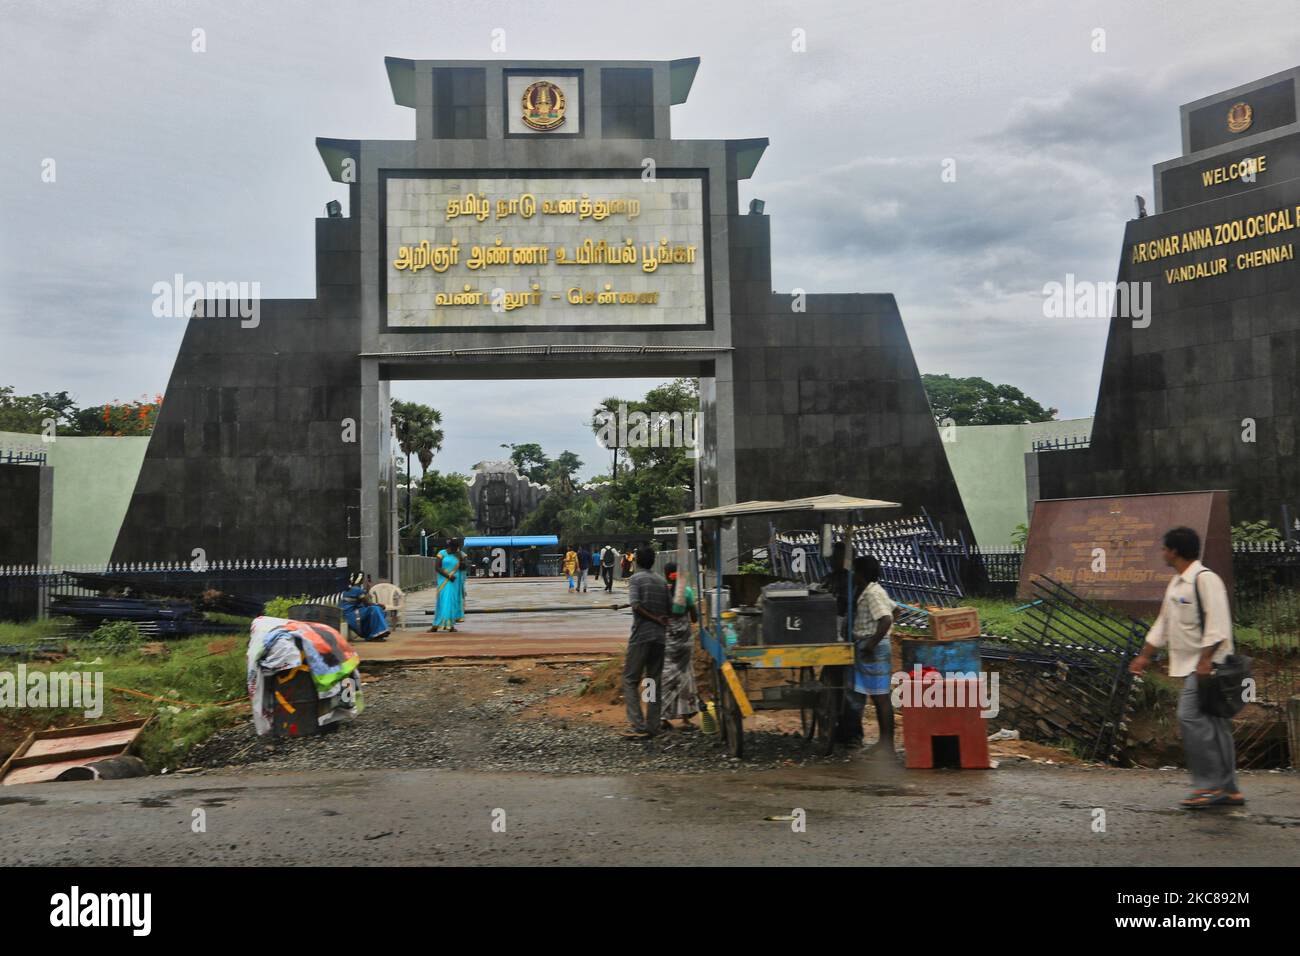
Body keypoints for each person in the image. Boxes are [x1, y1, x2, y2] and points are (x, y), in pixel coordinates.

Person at [1129, 526, 1242, 809]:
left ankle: (1209, 787)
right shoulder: (1177, 583)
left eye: (1165, 548)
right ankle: (1228, 789)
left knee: (1189, 717)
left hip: (1210, 666)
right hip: (1197, 666)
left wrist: (1205, 661)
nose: (1162, 553)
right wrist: (1144, 656)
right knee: (1216, 726)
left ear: (1175, 551)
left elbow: (1218, 625)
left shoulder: (1206, 580)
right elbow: (1163, 624)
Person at [848, 555, 896, 753]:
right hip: (870, 645)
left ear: (861, 574)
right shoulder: (871, 590)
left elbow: (886, 619)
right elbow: (896, 610)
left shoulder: (872, 594)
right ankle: (884, 743)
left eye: (854, 571)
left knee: (881, 697)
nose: (851, 575)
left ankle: (887, 745)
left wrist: (871, 644)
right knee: (877, 697)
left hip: (872, 648)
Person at [622, 546, 669, 739]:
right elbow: (669, 609)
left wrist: (653, 618)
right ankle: (652, 724)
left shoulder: (635, 579)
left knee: (630, 679)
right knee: (651, 680)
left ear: (637, 561)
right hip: (660, 638)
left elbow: (636, 605)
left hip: (641, 636)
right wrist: (659, 620)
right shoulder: (661, 581)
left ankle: (638, 724)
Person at [659, 562, 699, 730]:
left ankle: (662, 717)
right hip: (684, 641)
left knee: (665, 676)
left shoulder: (662, 592)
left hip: (667, 640)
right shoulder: (687, 591)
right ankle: (685, 718)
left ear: (665, 574)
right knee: (685, 676)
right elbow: (695, 618)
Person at [341, 571, 390, 641]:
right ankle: (376, 633)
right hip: (352, 615)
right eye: (363, 579)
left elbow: (364, 602)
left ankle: (377, 633)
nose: (364, 581)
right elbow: (368, 604)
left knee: (375, 609)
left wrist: (367, 590)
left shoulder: (351, 589)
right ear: (360, 580)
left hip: (349, 614)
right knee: (375, 609)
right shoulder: (357, 590)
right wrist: (379, 605)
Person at [429, 540, 464, 632]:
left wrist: (463, 561)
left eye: (457, 548)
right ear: (450, 547)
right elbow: (437, 567)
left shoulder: (459, 554)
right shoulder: (442, 553)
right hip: (444, 581)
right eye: (454, 548)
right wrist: (448, 576)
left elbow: (464, 567)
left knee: (451, 603)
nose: (455, 550)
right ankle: (436, 625)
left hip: (455, 582)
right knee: (443, 602)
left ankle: (450, 625)